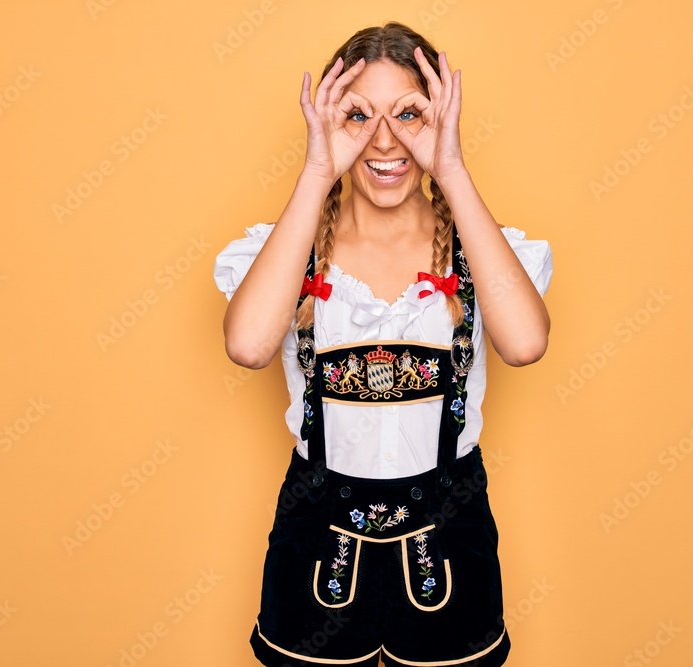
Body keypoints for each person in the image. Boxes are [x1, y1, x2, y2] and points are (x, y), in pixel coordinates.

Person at [214, 22, 552, 667]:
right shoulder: (289, 252)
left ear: (442, 118)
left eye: (410, 113)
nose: (385, 138)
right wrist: (318, 170)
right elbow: (250, 345)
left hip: (450, 550)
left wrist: (449, 167)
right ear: (326, 121)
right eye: (358, 115)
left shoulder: (480, 250)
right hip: (317, 554)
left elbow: (526, 342)